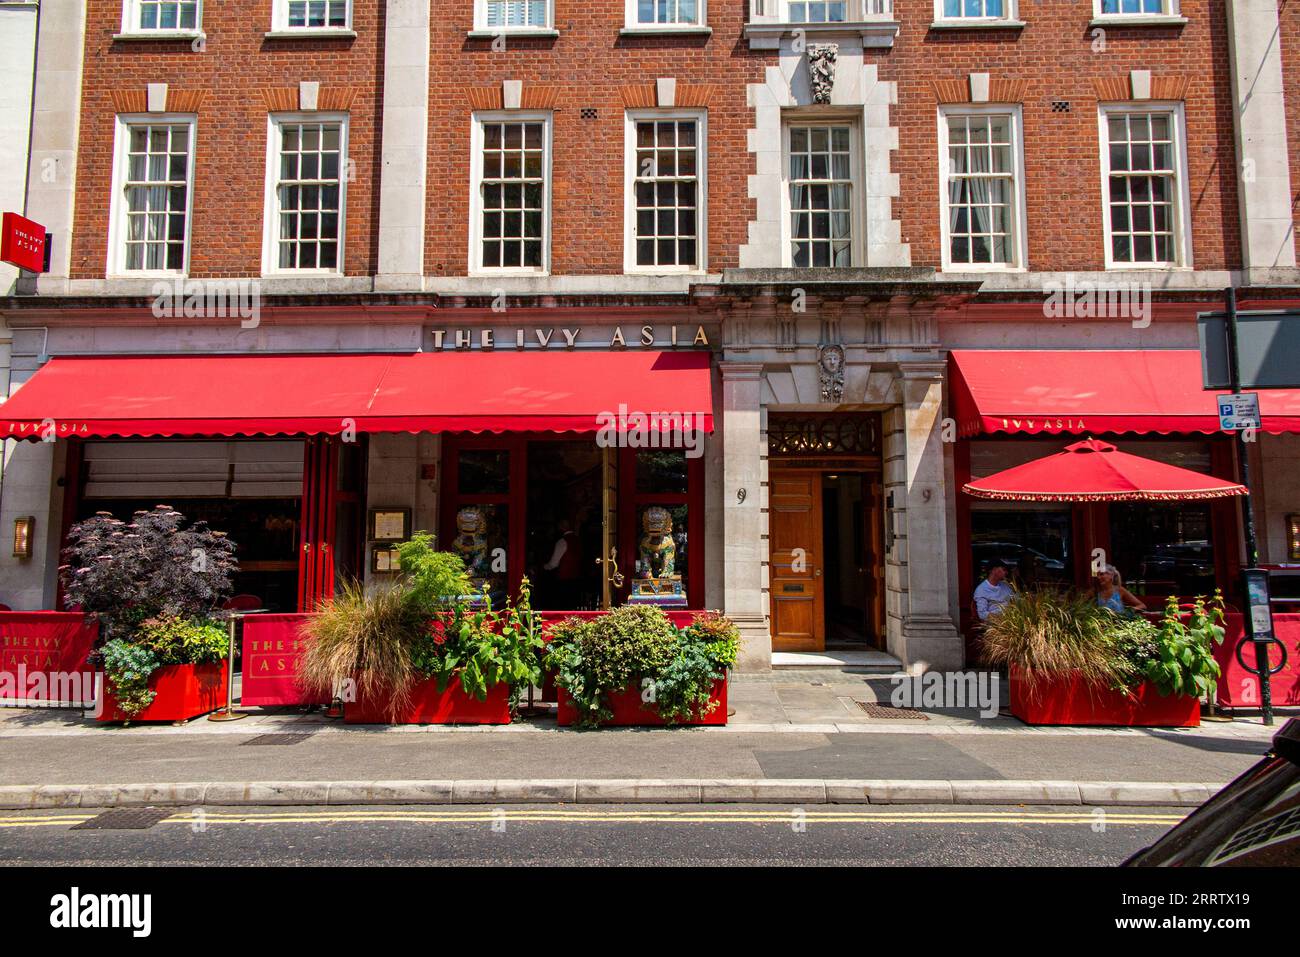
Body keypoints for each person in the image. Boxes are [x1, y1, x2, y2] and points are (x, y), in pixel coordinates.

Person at [543, 517, 583, 609]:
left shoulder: (562, 542)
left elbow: (553, 564)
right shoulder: (578, 540)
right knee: (572, 606)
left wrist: (543, 567)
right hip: (576, 578)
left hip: (564, 580)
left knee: (562, 606)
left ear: (561, 527)